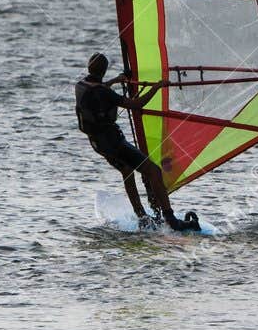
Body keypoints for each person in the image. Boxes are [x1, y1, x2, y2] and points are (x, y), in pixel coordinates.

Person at [75, 53, 190, 230]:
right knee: (153, 170)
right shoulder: (105, 93)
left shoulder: (81, 85)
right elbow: (136, 104)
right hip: (115, 144)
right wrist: (158, 87)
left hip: (98, 144)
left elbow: (98, 89)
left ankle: (141, 216)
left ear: (89, 69)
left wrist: (114, 80)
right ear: (103, 71)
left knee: (127, 170)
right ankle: (170, 218)